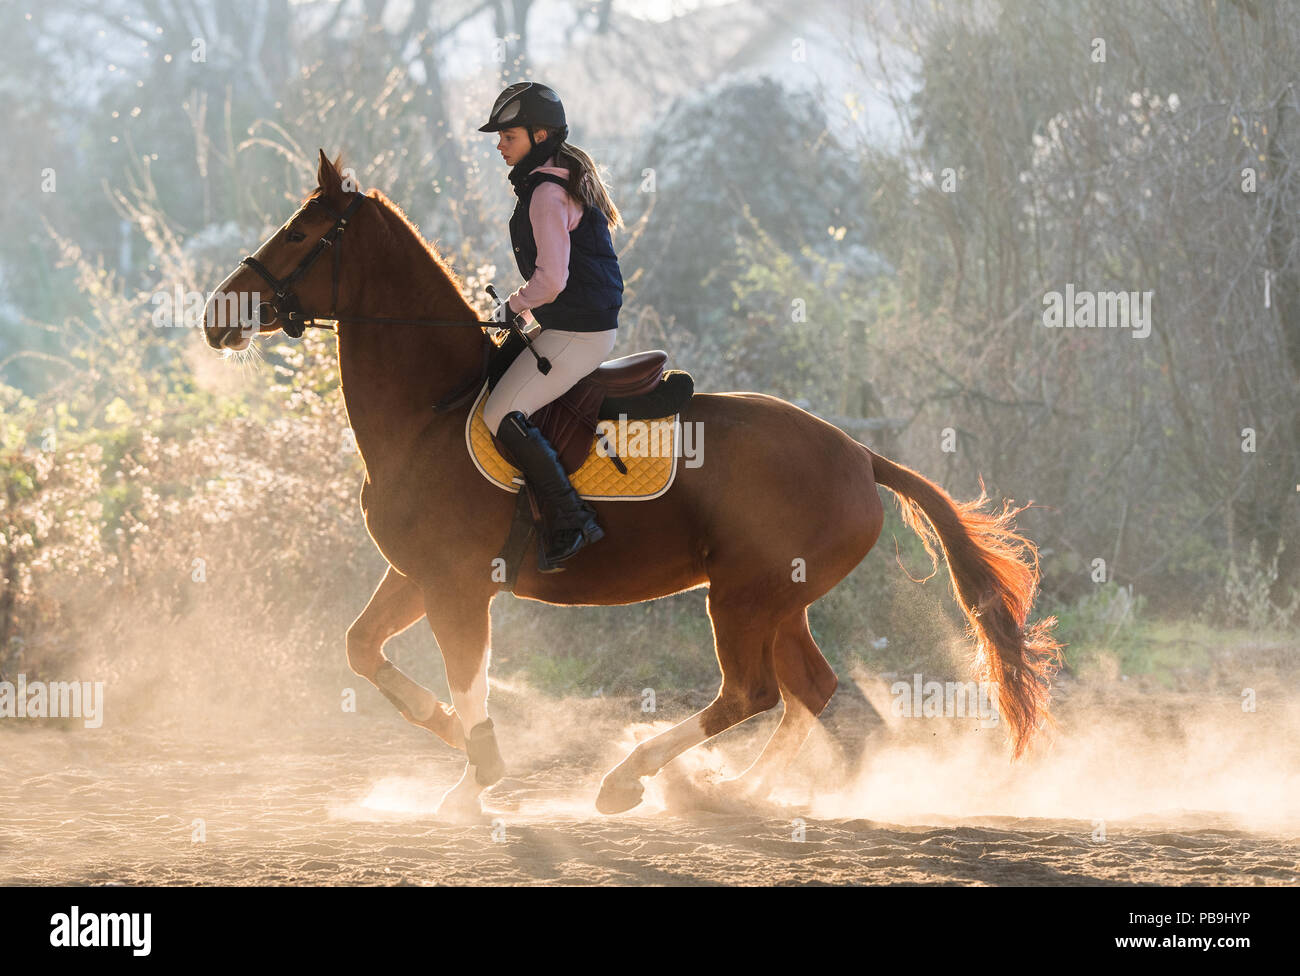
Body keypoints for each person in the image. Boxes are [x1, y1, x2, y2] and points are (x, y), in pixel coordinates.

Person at [478, 81, 625, 572]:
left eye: (508, 136)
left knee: (499, 413)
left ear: (539, 136)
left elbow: (552, 281)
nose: (499, 144)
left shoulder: (545, 191)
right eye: (499, 136)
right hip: (573, 325)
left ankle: (572, 517)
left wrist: (512, 308)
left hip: (579, 333)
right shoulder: (552, 178)